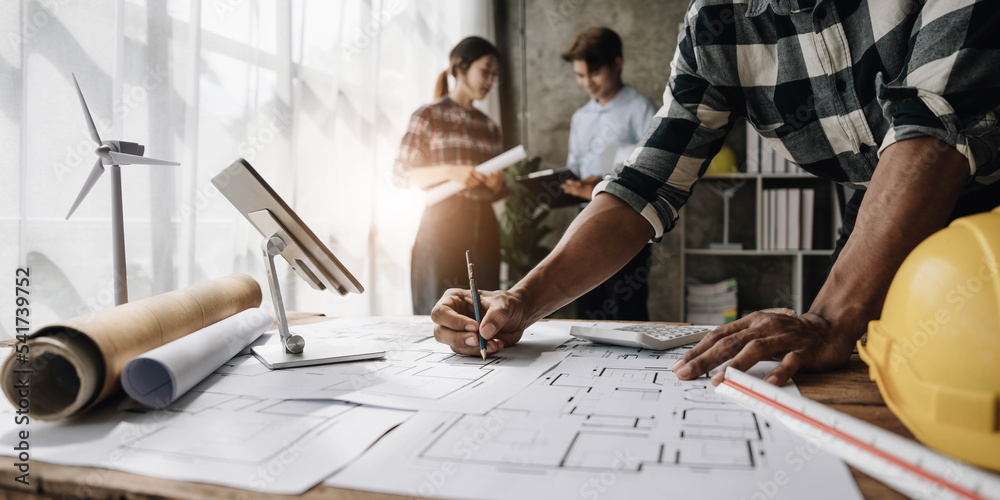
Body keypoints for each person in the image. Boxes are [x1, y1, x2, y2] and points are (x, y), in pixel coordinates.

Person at [429, 1, 1000, 381]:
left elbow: (931, 134)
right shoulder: (716, 22)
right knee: (856, 383)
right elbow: (645, 181)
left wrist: (828, 319)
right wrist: (522, 301)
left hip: (985, 209)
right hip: (877, 207)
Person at [394, 36, 506, 315]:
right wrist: (450, 172)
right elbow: (400, 175)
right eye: (485, 71)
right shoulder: (428, 116)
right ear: (460, 67)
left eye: (494, 74)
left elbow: (499, 190)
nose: (490, 80)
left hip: (484, 226)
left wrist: (496, 185)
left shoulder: (489, 126)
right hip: (441, 228)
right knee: (437, 315)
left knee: (485, 315)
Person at [558, 27, 658, 321]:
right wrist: (574, 184)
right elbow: (573, 167)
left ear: (616, 64)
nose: (586, 82)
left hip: (627, 224)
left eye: (594, 72)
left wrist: (600, 184)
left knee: (627, 309)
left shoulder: (641, 109)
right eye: (579, 75)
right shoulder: (580, 118)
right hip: (584, 223)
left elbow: (652, 172)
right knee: (587, 307)